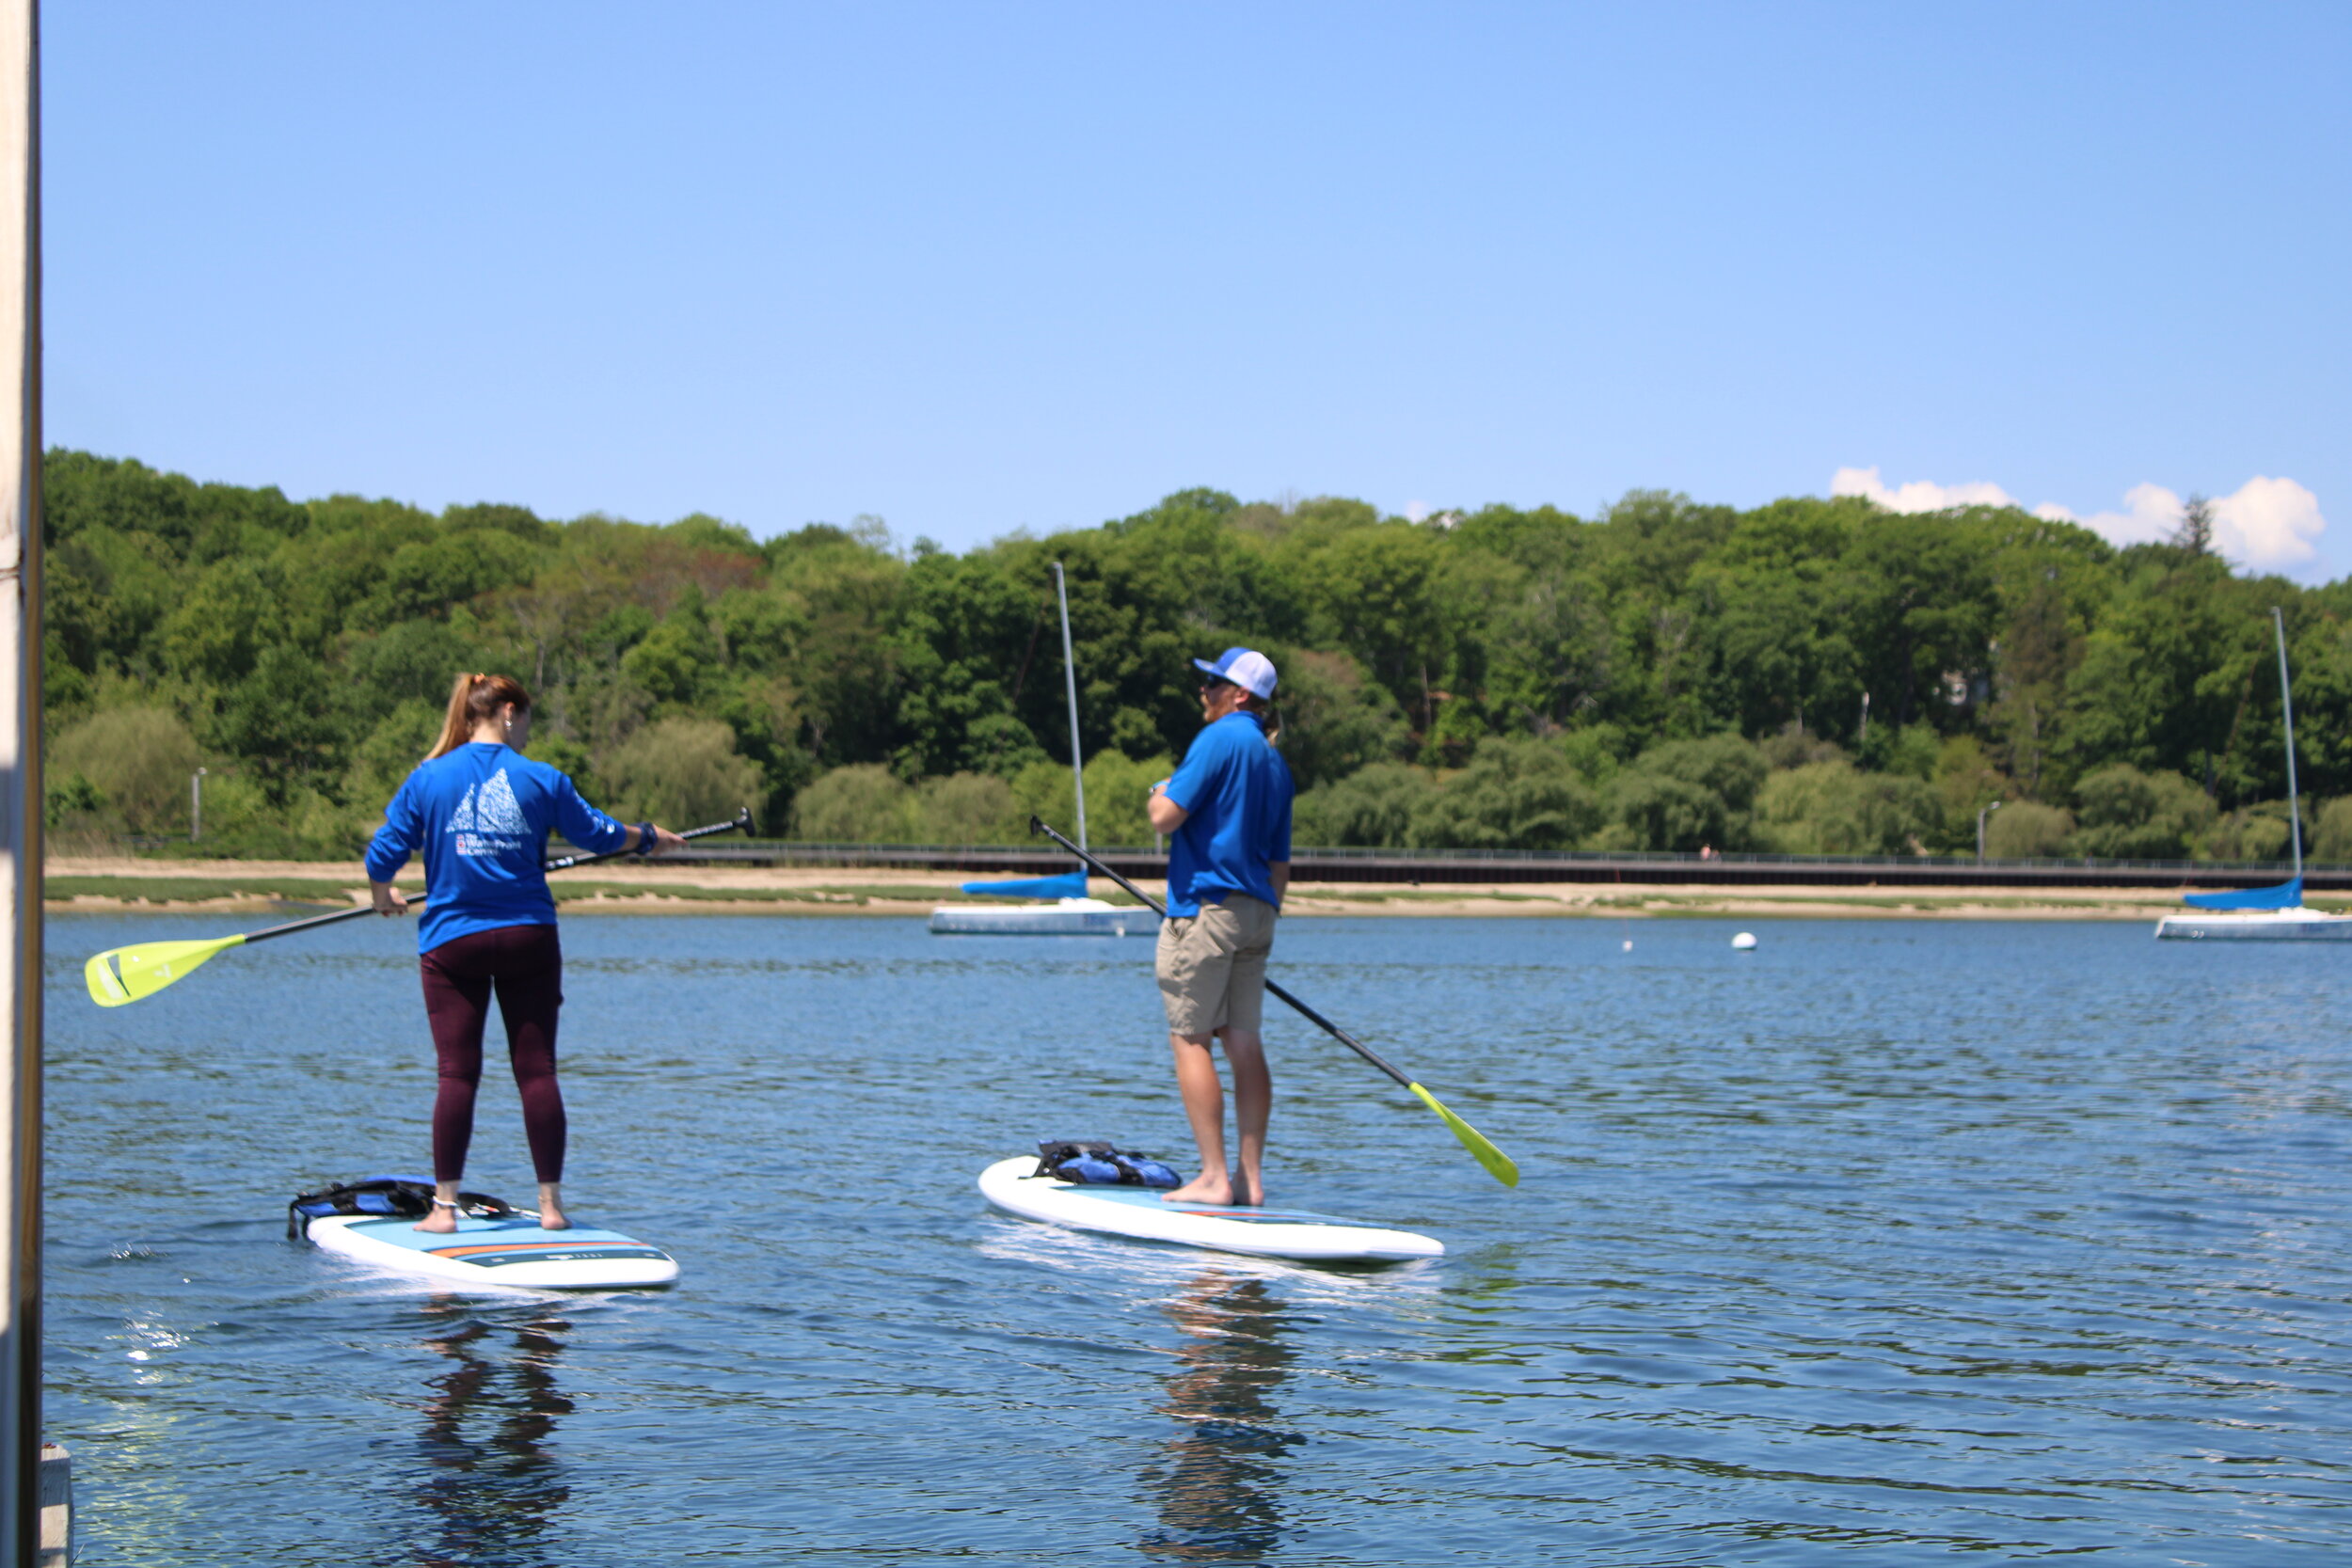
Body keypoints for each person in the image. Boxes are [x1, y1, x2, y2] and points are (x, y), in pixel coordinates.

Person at [366, 673, 683, 1233]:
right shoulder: (542, 779)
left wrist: (381, 895)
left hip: (452, 942)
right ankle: (551, 1208)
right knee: (537, 1072)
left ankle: (443, 1211)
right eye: (529, 720)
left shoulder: (428, 777)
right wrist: (649, 836)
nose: (529, 731)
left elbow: (384, 850)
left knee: (457, 1075)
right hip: (528, 937)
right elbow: (603, 834)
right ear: (509, 712)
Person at [1146, 646, 1295, 1208]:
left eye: (1212, 684)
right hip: (1258, 915)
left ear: (1239, 696)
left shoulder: (1219, 738)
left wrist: (1160, 792)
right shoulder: (1274, 761)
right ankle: (1249, 1180)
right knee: (1244, 1042)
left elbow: (1166, 818)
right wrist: (1262, 918)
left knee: (1191, 1039)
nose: (1202, 692)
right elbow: (1279, 865)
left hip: (1206, 911)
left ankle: (1212, 1178)